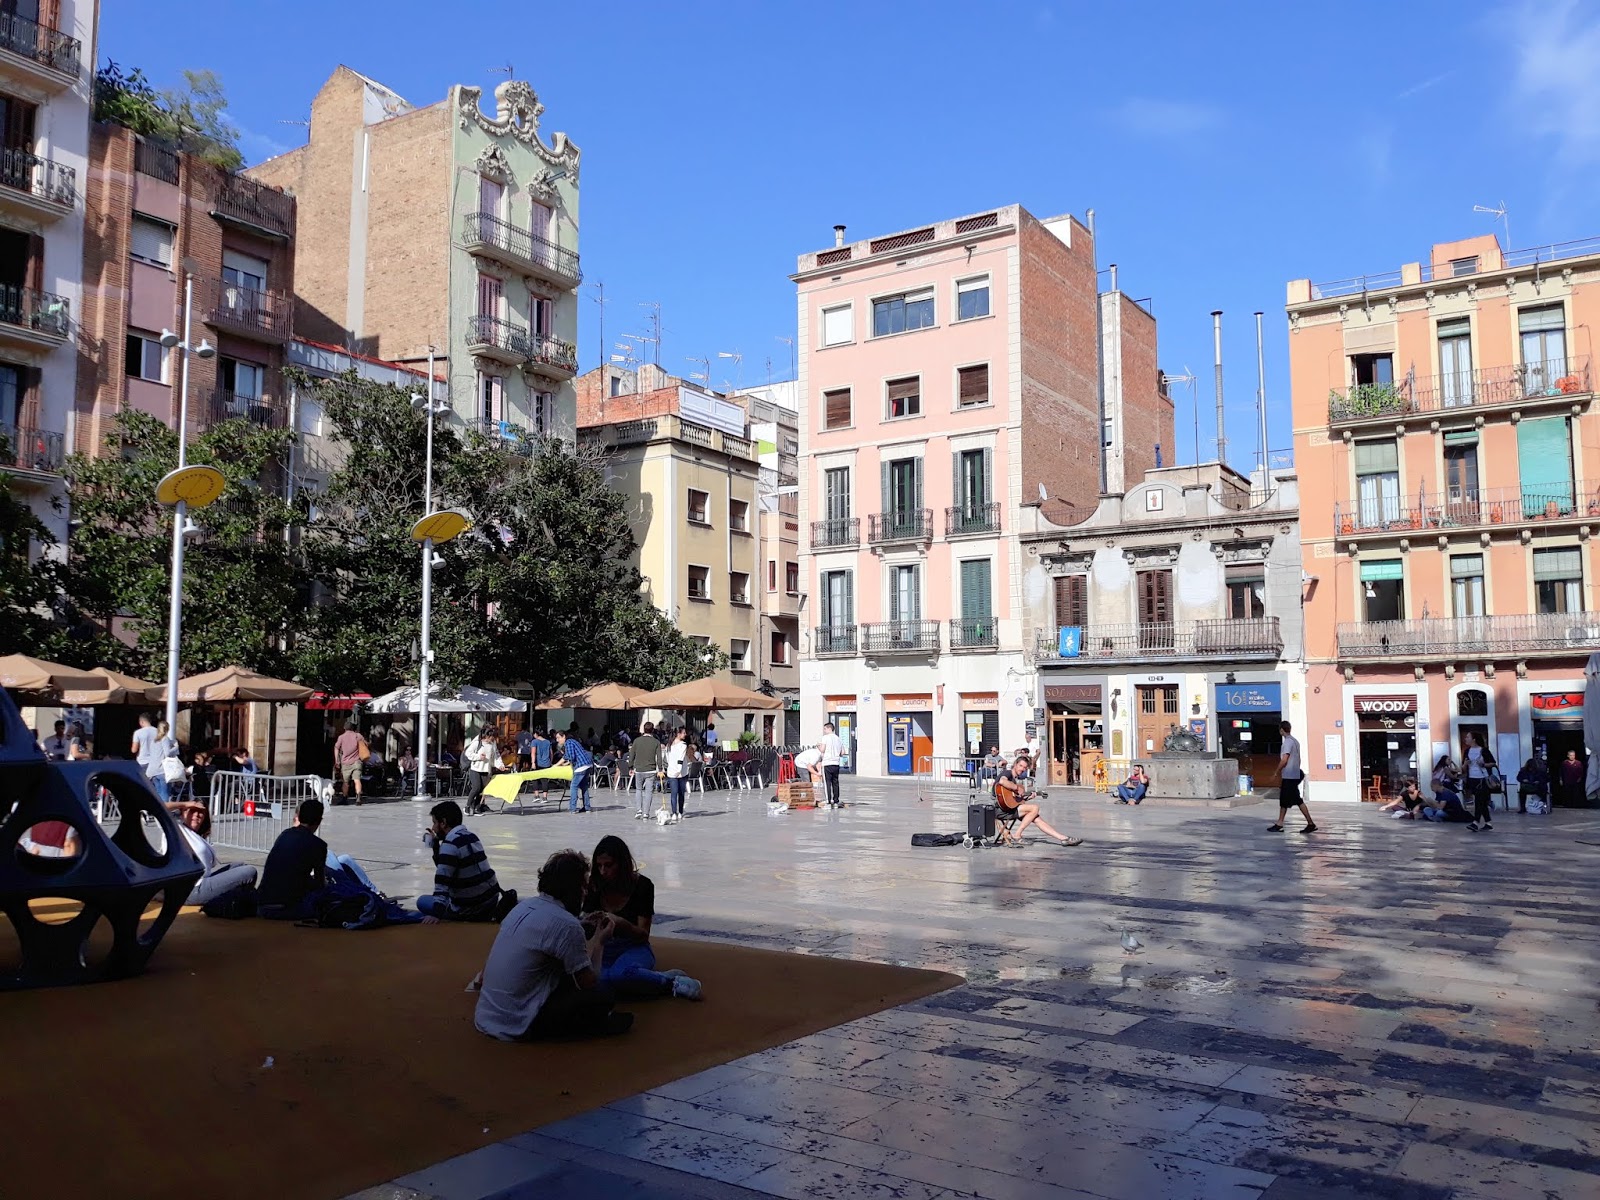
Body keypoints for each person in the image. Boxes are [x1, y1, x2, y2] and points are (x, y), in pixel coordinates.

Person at [472, 849, 633, 1041]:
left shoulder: (524, 906)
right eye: (583, 887)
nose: (585, 894)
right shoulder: (567, 925)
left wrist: (581, 924)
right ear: (574, 889)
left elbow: (547, 932)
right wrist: (600, 940)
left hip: (488, 1014)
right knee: (604, 994)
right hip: (519, 1022)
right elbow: (589, 982)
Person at [582, 835, 702, 1000]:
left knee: (620, 975)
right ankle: (651, 979)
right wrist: (587, 922)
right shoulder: (595, 885)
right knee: (600, 982)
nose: (603, 871)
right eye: (599, 866)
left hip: (634, 946)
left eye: (608, 865)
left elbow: (643, 935)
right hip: (605, 947)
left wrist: (622, 924)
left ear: (622, 864)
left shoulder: (642, 886)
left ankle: (671, 982)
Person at [418, 800, 514, 922]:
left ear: (443, 823)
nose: (433, 828)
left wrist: (436, 914)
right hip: (490, 900)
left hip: (469, 908)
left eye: (434, 823)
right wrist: (436, 846)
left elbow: (442, 882)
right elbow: (448, 867)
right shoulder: (471, 837)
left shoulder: (449, 845)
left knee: (422, 901)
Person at [166, 799, 258, 906]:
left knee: (239, 865)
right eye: (192, 810)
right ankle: (238, 904)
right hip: (190, 891)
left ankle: (240, 902)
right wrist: (185, 804)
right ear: (183, 813)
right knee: (249, 871)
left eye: (201, 812)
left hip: (201, 881)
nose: (196, 815)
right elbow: (156, 806)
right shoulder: (174, 829)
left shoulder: (197, 837)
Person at [257, 799, 328, 919]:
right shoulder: (318, 845)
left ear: (299, 816)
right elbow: (320, 883)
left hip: (263, 903)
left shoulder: (284, 834)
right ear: (319, 821)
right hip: (289, 907)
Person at [995, 755, 1082, 845]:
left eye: (1024, 767)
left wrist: (1028, 797)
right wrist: (1017, 787)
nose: (1022, 769)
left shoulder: (1014, 779)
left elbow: (1012, 800)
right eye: (1020, 766)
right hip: (1000, 810)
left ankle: (1063, 838)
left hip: (1009, 808)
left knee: (1036, 818)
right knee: (1035, 808)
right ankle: (1017, 834)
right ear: (1015, 764)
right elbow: (1002, 781)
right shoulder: (1008, 773)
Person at [1267, 720, 1316, 833]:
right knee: (1289, 800)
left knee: (1292, 800)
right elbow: (1298, 758)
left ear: (1281, 730)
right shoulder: (1295, 741)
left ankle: (1309, 823)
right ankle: (1280, 823)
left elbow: (1284, 759)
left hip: (1289, 776)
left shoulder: (1287, 743)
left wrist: (1276, 772)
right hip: (1294, 774)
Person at [628, 722, 664, 820]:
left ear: (644, 730)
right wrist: (660, 769)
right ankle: (646, 813)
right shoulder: (656, 742)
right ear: (652, 730)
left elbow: (632, 755)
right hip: (651, 770)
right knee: (648, 792)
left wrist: (630, 767)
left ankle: (639, 810)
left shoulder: (636, 741)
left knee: (638, 790)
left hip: (639, 769)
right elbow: (659, 757)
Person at [1463, 732, 1497, 832]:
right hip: (1472, 778)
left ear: (1474, 739)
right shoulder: (1467, 751)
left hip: (1482, 779)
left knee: (1479, 800)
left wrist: (1483, 764)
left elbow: (1493, 763)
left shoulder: (1484, 750)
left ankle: (1475, 822)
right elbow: (1463, 768)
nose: (1466, 739)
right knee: (1481, 801)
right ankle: (1488, 823)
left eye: (1468, 737)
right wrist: (1465, 764)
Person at [463, 727, 501, 816]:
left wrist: (500, 765)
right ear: (486, 736)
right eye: (491, 737)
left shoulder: (493, 744)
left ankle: (477, 808)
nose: (492, 739)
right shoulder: (477, 743)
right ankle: (467, 806)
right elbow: (468, 753)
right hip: (475, 769)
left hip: (486, 770)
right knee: (476, 787)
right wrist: (478, 757)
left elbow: (496, 756)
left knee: (482, 790)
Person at [556, 728, 594, 813]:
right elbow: (570, 756)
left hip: (581, 766)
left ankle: (572, 808)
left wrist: (557, 765)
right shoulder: (573, 741)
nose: (557, 740)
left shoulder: (568, 743)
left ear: (564, 736)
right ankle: (587, 807)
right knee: (584, 786)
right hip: (587, 765)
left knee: (573, 786)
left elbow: (570, 756)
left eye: (558, 738)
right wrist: (564, 764)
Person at [332, 720, 366, 806]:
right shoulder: (358, 736)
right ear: (352, 728)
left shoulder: (341, 737)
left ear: (344, 728)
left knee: (345, 782)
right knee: (357, 780)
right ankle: (358, 798)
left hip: (345, 762)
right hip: (357, 762)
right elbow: (365, 744)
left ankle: (344, 798)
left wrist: (337, 760)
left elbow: (336, 748)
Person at [664, 726, 690, 822]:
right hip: (681, 772)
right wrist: (678, 770)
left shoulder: (669, 745)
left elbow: (667, 758)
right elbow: (680, 759)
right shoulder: (683, 745)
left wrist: (670, 767)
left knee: (673, 793)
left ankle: (674, 813)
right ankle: (680, 812)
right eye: (684, 733)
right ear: (678, 734)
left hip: (671, 771)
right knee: (681, 793)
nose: (685, 734)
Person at [818, 721, 843, 809]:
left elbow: (822, 749)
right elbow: (842, 752)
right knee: (835, 782)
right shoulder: (838, 738)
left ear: (829, 728)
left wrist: (819, 746)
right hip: (836, 763)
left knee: (827, 783)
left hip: (827, 763)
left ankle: (828, 802)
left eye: (825, 729)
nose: (824, 731)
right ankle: (836, 801)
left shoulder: (825, 738)